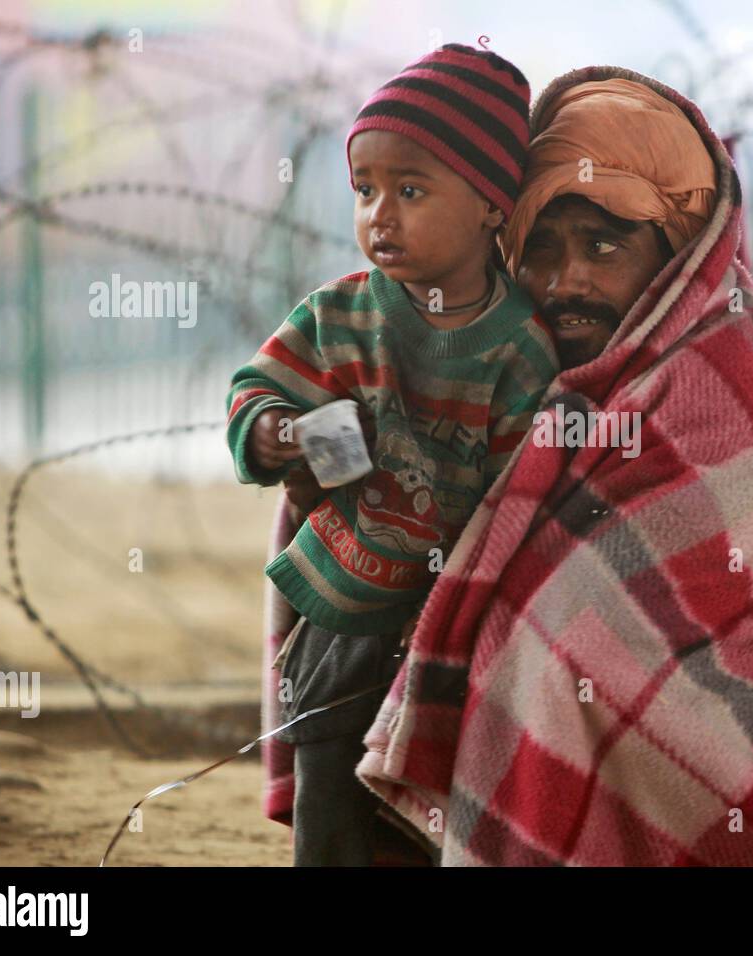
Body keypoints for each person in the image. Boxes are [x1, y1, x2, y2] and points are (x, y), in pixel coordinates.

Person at [350, 67, 753, 866]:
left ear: (681, 256)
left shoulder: (723, 391)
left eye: (605, 245)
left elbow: (592, 634)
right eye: (540, 251)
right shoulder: (526, 390)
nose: (568, 282)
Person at [227, 43, 557, 865]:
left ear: (491, 204)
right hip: (344, 610)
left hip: (456, 628)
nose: (381, 214)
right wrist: (271, 430)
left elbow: (527, 496)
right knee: (330, 790)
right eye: (365, 190)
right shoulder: (339, 316)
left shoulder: (518, 351)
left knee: (424, 804)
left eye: (411, 190)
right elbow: (256, 387)